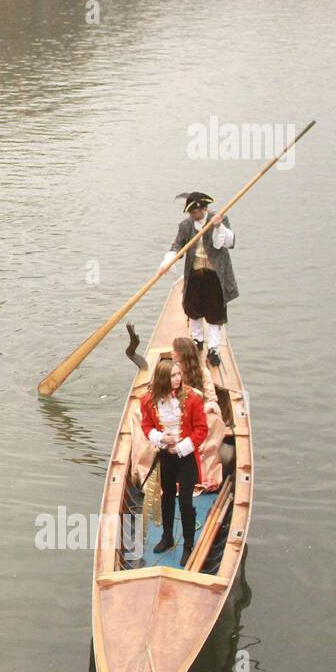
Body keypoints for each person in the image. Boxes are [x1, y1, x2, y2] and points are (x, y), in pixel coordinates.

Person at [140, 357, 208, 565]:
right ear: (162, 378)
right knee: (167, 497)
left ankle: (188, 545)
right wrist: (160, 439)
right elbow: (146, 426)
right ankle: (167, 537)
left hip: (185, 458)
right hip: (165, 457)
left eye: (179, 374)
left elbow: (202, 430)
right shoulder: (147, 400)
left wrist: (179, 447)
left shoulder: (193, 399)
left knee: (186, 502)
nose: (178, 378)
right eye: (173, 375)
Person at [159, 191, 237, 367]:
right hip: (195, 273)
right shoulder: (186, 226)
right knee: (193, 308)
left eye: (196, 212)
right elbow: (178, 245)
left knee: (215, 313)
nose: (193, 216)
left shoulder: (220, 218)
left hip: (215, 274)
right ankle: (197, 341)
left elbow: (228, 243)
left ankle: (214, 349)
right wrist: (168, 260)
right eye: (191, 213)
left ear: (204, 209)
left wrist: (218, 227)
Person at [172, 336, 228, 493]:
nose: (171, 352)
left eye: (174, 350)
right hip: (177, 413)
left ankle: (204, 474)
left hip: (199, 413)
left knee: (213, 421)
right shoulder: (173, 372)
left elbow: (211, 399)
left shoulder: (203, 373)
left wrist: (197, 411)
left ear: (182, 354)